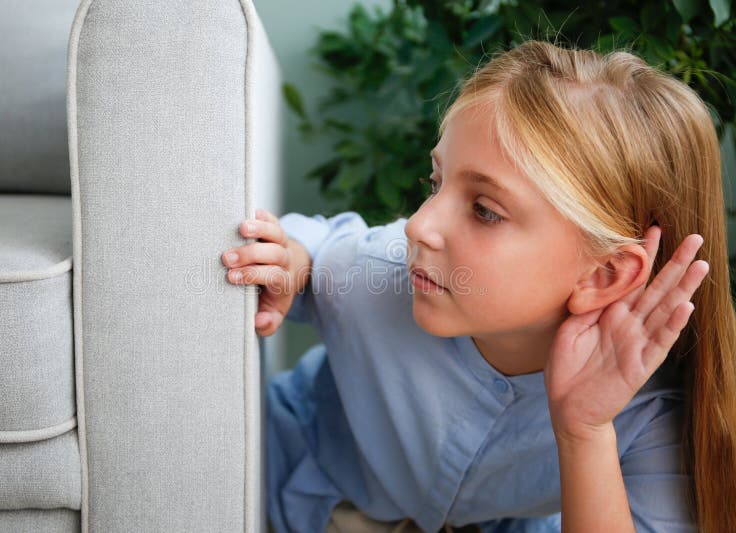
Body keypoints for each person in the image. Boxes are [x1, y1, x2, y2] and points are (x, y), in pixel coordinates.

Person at [220, 40, 736, 532]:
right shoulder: (385, 274)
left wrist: (584, 432)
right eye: (435, 182)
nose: (418, 226)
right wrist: (293, 261)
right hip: (307, 490)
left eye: (485, 211)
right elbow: (320, 248)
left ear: (603, 275)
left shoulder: (646, 414)